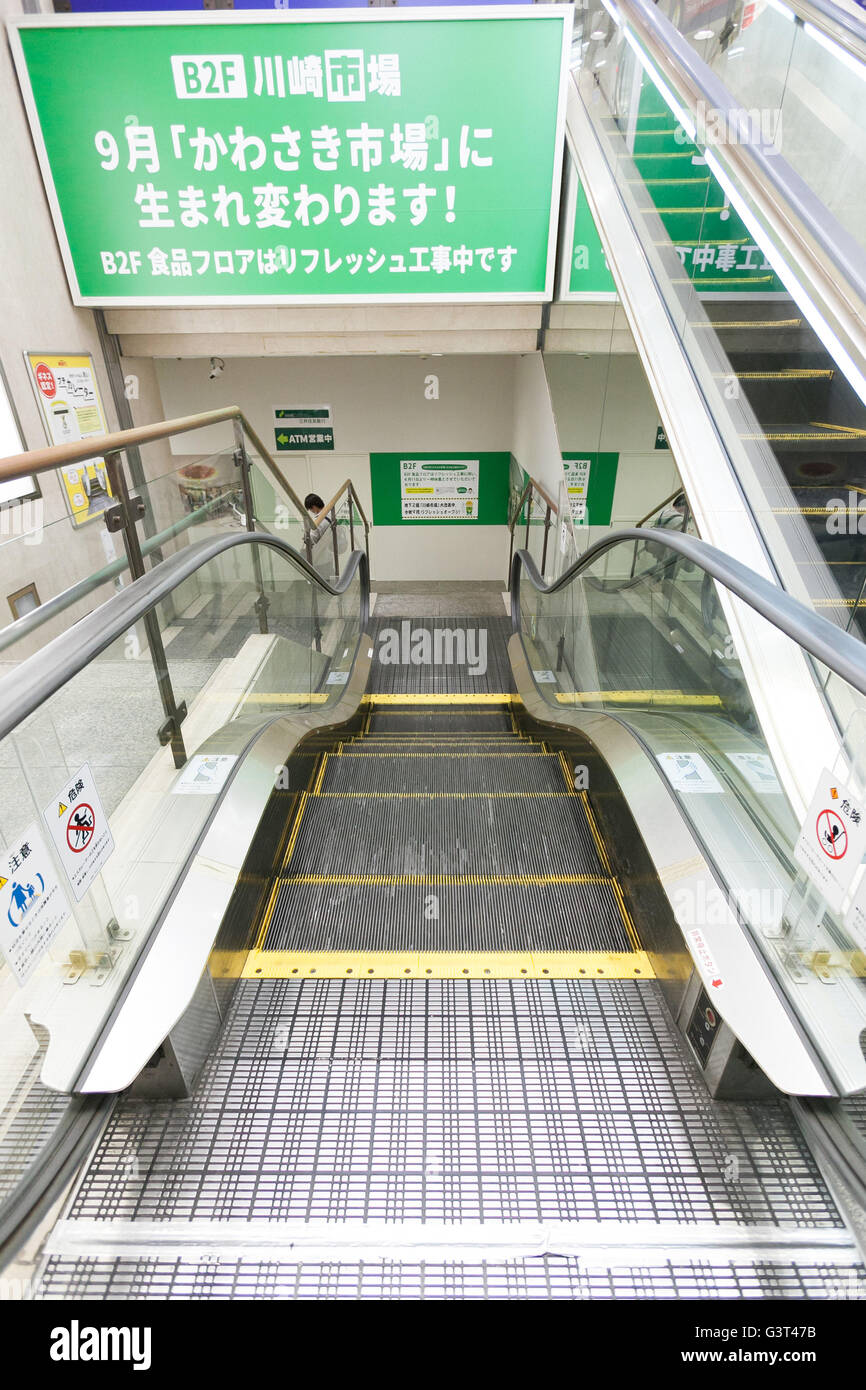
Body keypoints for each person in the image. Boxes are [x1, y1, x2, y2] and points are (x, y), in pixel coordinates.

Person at [305, 491, 348, 579]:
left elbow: (312, 540)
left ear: (313, 507)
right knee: (329, 578)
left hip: (319, 559)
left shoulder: (317, 522)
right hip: (329, 557)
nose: (311, 511)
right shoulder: (330, 514)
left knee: (320, 581)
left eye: (310, 509)